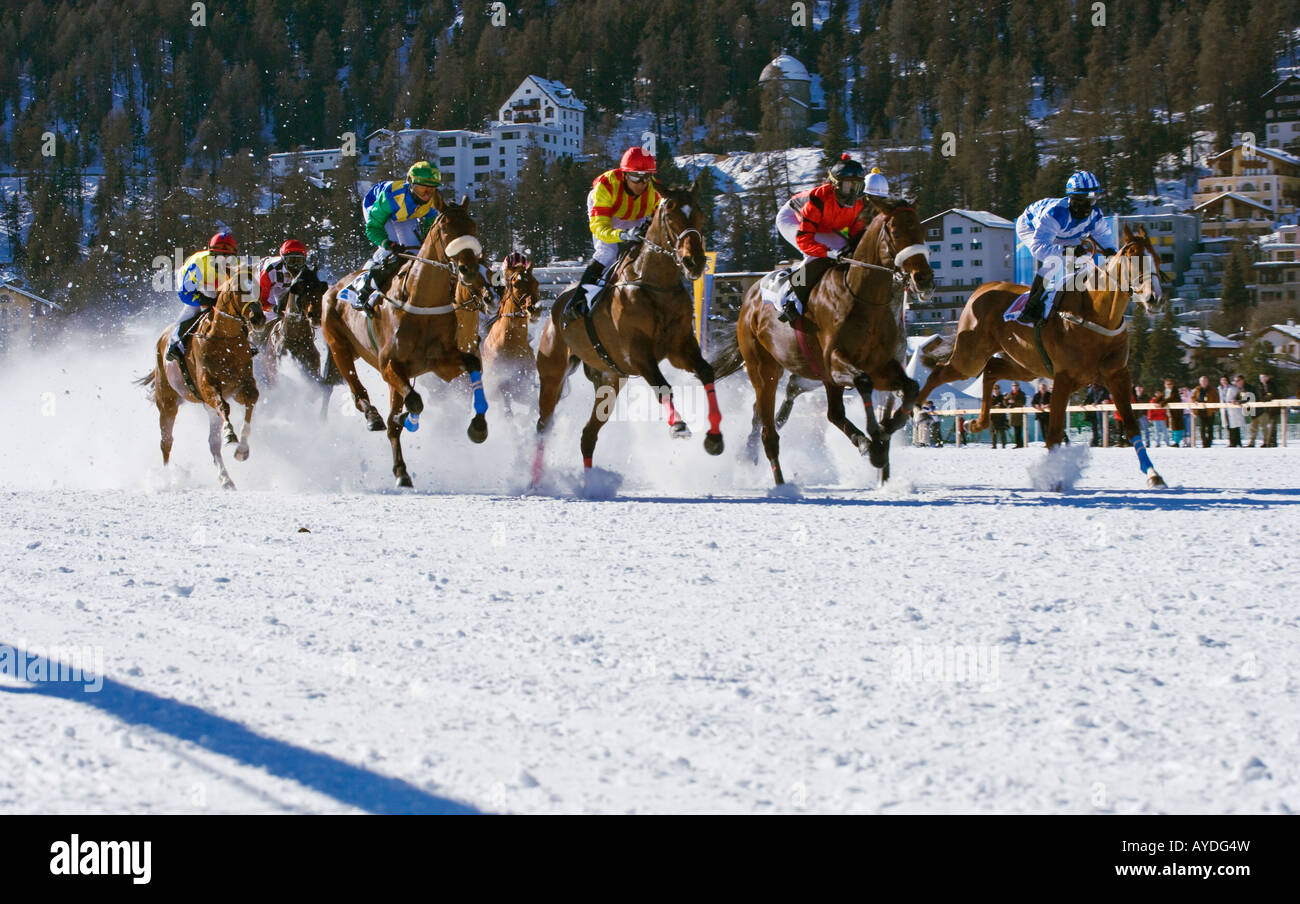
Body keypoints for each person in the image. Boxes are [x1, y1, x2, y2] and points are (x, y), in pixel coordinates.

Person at [774, 155, 887, 323]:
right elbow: (805, 241)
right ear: (835, 185)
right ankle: (789, 293)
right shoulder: (817, 200)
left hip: (823, 226)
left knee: (845, 251)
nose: (854, 194)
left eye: (858, 187)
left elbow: (855, 237)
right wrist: (827, 252)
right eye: (850, 187)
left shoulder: (858, 204)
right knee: (815, 255)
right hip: (792, 219)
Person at [1013, 171, 1117, 324]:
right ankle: (1030, 307)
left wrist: (1111, 250)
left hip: (1064, 233)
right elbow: (1039, 249)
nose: (1089, 205)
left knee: (1084, 261)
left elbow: (1104, 236)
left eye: (1093, 200)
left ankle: (1078, 302)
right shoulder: (1055, 214)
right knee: (1053, 262)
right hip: (1030, 227)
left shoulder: (1096, 214)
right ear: (1073, 199)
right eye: (1084, 200)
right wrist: (1066, 251)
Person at [572, 146, 661, 311]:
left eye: (646, 177)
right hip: (608, 214)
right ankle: (577, 302)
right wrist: (623, 235)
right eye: (636, 177)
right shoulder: (605, 187)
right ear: (625, 174)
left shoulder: (654, 191)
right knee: (608, 253)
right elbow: (600, 228)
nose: (641, 184)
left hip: (635, 214)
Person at [352, 161, 443, 313]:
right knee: (390, 253)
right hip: (377, 207)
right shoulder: (391, 197)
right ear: (411, 184)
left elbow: (430, 229)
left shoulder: (433, 201)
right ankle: (364, 286)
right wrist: (387, 243)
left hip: (405, 214)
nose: (426, 195)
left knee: (414, 254)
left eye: (431, 190)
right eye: (422, 189)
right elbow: (373, 228)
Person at [166, 230, 239, 362]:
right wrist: (202, 300)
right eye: (218, 256)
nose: (222, 261)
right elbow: (185, 294)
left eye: (227, 257)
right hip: (192, 285)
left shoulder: (236, 266)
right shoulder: (198, 264)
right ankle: (175, 342)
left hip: (216, 285)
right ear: (211, 254)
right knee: (193, 309)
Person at [257, 239, 318, 322]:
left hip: (286, 286)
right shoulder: (270, 270)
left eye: (299, 261)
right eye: (291, 261)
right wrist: (274, 309)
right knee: (270, 316)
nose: (295, 266)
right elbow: (261, 300)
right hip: (268, 283)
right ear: (283, 260)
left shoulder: (305, 272)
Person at [1250, 373, 1279, 447]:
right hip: (1263, 409)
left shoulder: (1272, 385)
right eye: (1261, 377)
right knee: (1264, 426)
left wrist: (1265, 398)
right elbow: (1258, 395)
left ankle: (1272, 442)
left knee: (1272, 426)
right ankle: (1266, 442)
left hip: (1273, 408)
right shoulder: (1258, 386)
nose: (1262, 379)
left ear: (1268, 377)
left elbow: (1272, 394)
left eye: (1264, 377)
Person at [1190, 375, 1218, 448]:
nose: (1204, 382)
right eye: (1202, 381)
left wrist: (1215, 409)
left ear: (1207, 382)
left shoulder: (1212, 389)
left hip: (1210, 411)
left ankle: (1209, 442)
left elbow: (1216, 398)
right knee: (1202, 428)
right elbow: (1193, 398)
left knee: (1210, 428)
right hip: (1201, 411)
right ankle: (1204, 442)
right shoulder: (1197, 389)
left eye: (1205, 381)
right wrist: (1195, 401)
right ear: (1200, 382)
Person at [1222, 374, 1246, 447]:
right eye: (1222, 380)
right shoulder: (1221, 389)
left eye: (1225, 380)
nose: (1224, 382)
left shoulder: (1233, 388)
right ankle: (1233, 442)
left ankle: (1235, 442)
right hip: (1225, 409)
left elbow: (1239, 396)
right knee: (1229, 426)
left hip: (1233, 409)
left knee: (1234, 427)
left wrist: (1235, 401)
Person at [1163, 378, 1187, 447]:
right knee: (1172, 426)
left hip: (1176, 411)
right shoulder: (1165, 392)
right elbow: (1161, 397)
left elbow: (1170, 398)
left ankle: (1177, 441)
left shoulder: (1174, 391)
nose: (1169, 385)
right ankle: (1174, 441)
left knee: (1177, 425)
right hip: (1169, 411)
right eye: (1167, 384)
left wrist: (1162, 403)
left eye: (1170, 384)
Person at [1006, 382, 1027, 447]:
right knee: (1016, 430)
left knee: (1019, 430)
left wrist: (1014, 402)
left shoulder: (1022, 394)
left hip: (1019, 415)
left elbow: (1023, 402)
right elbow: (1006, 404)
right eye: (1013, 386)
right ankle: (1018, 444)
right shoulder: (1010, 394)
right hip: (1013, 415)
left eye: (1016, 386)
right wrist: (1005, 400)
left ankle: (1020, 444)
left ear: (1018, 386)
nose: (1015, 387)